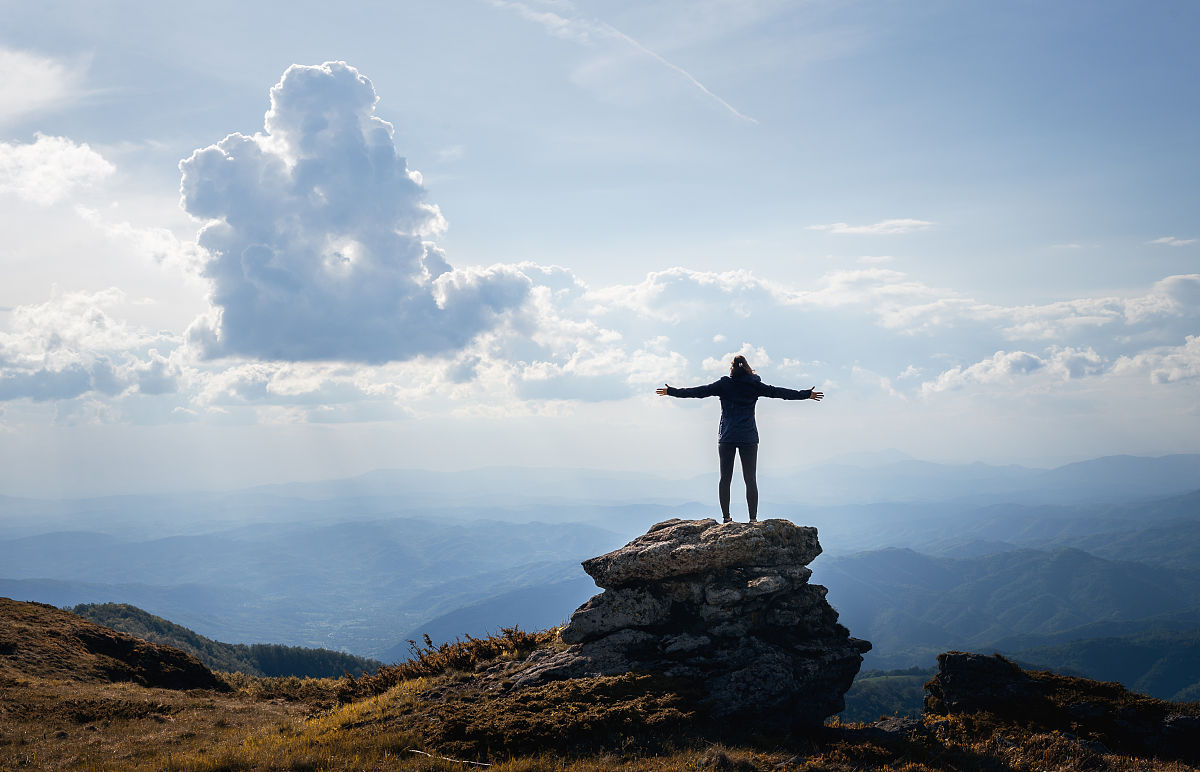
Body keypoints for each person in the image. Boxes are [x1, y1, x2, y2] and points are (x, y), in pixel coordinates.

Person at [656, 355, 823, 524]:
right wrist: (806, 394)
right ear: (748, 368)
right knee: (750, 478)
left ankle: (726, 518)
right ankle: (753, 519)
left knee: (725, 478)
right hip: (748, 436)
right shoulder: (754, 385)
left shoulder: (723, 385)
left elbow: (698, 392)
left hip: (727, 436)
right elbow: (780, 392)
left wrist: (672, 391)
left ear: (732, 368)